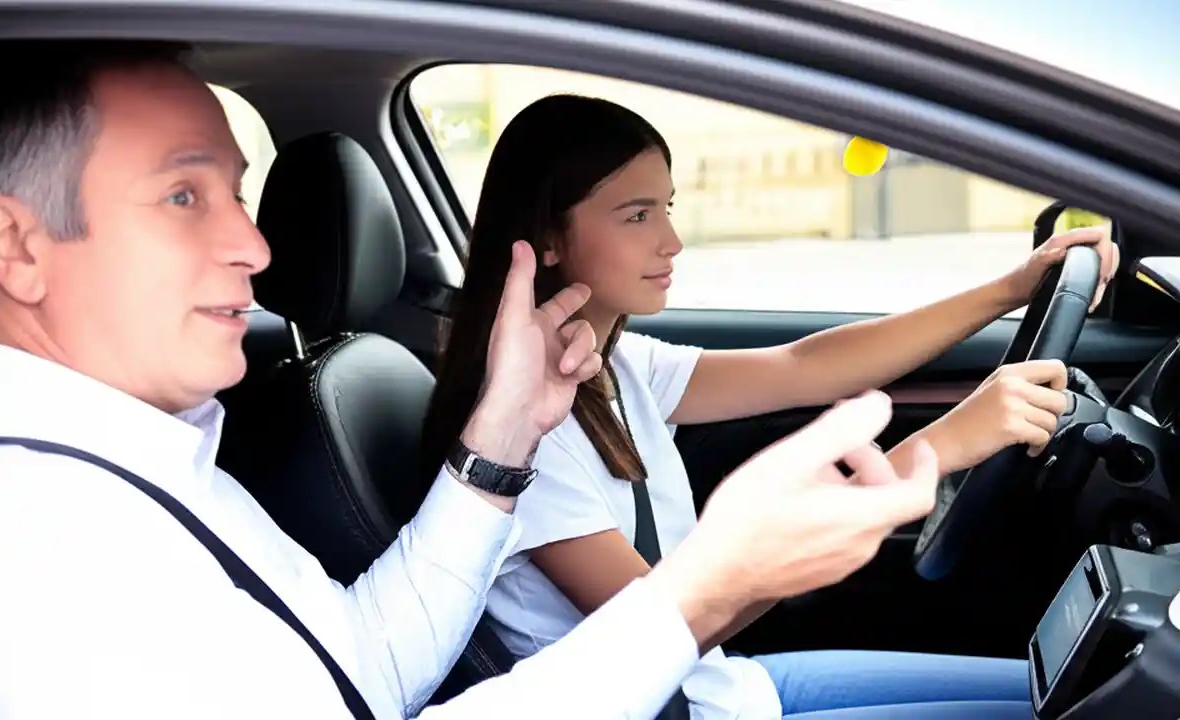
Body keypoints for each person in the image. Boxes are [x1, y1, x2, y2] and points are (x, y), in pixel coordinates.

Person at [0, 42, 945, 720]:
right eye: (182, 195)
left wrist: (498, 446)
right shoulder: (7, 547)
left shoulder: (137, 460)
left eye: (237, 191)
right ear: (17, 247)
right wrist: (708, 582)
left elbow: (362, 666)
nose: (254, 246)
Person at [419, 94, 1120, 719]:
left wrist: (1011, 288)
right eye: (636, 215)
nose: (672, 240)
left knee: (1079, 690)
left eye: (667, 207)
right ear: (546, 236)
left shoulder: (613, 366)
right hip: (676, 705)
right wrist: (942, 447)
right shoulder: (518, 435)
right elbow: (677, 615)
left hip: (724, 690)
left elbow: (805, 366)